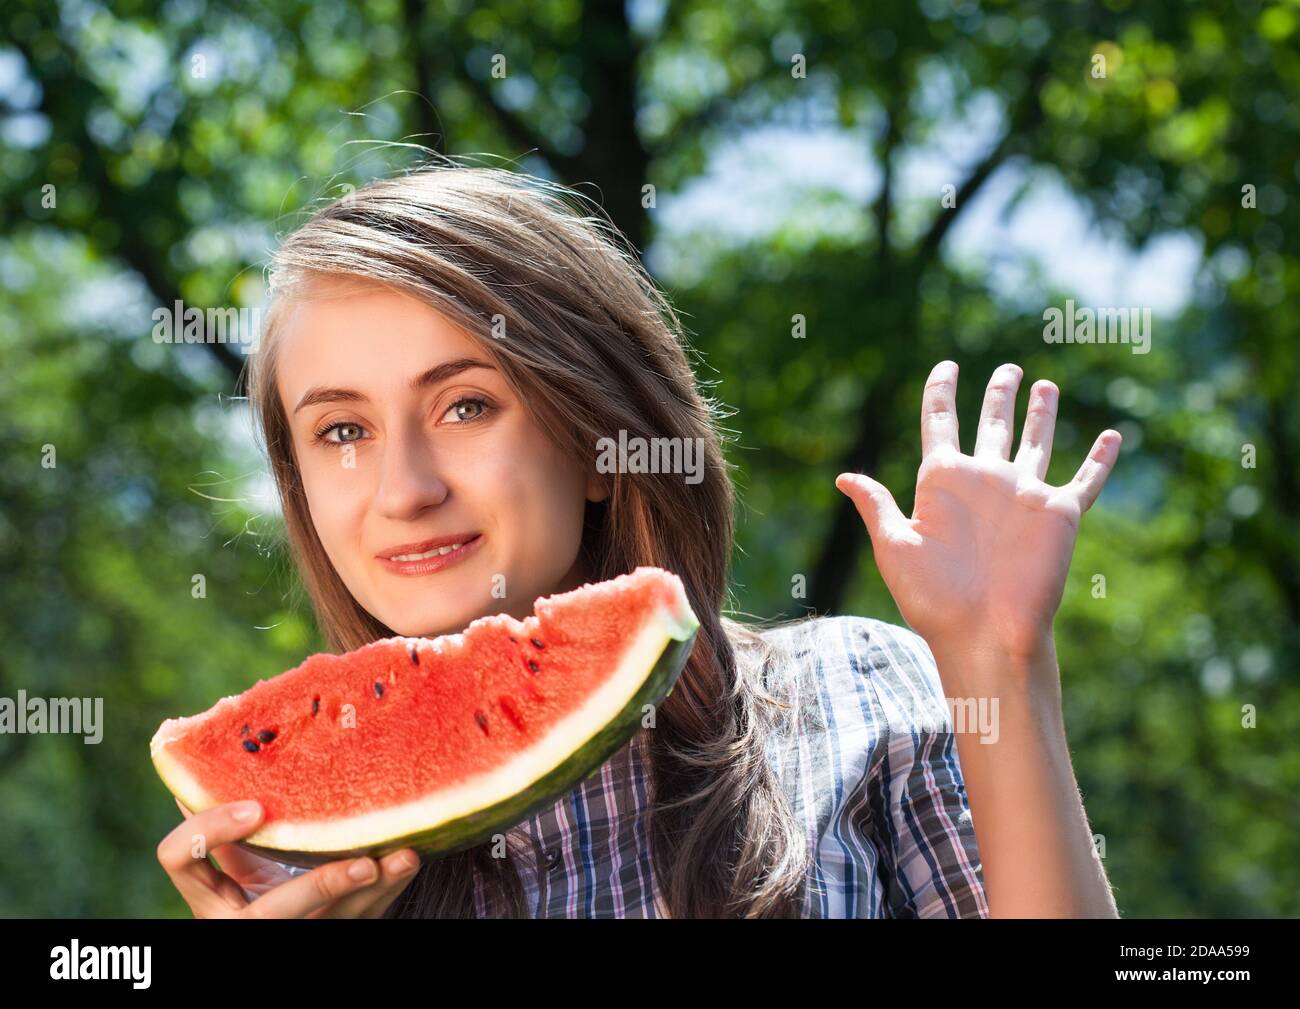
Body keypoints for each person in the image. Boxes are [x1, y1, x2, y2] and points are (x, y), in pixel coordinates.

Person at [156, 163, 1121, 918]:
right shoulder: (291, 856)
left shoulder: (850, 688)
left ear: (597, 444)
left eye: (466, 405)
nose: (405, 489)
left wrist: (997, 660)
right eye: (342, 431)